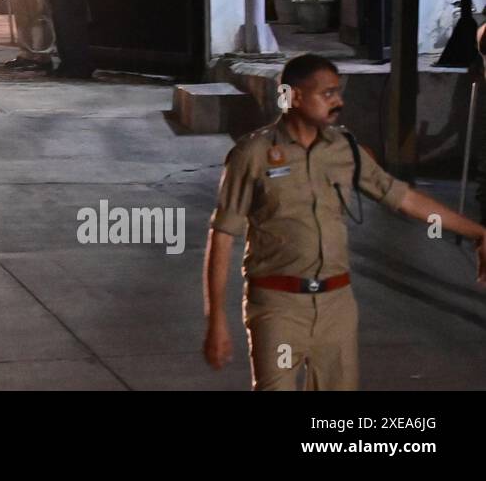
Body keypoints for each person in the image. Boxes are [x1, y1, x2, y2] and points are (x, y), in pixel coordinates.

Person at [203, 53, 486, 391]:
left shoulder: (345, 151)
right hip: (278, 309)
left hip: (336, 308)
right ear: (293, 97)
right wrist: (216, 319)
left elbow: (404, 199)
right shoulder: (252, 155)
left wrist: (477, 232)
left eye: (338, 92)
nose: (338, 101)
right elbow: (222, 236)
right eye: (327, 93)